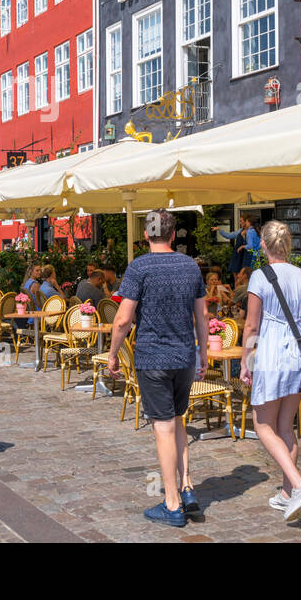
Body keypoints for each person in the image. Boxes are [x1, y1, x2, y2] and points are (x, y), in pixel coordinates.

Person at [106, 210, 208, 527]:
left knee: (162, 428)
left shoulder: (139, 268)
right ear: (173, 235)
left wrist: (112, 354)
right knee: (178, 421)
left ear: (147, 236)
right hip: (184, 358)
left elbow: (122, 319)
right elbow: (201, 318)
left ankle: (173, 503)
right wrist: (203, 353)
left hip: (153, 359)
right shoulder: (190, 266)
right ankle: (187, 486)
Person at [242, 219, 301, 523]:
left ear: (263, 245)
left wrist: (245, 360)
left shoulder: (260, 277)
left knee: (263, 425)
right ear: (288, 245)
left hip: (274, 351)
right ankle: (288, 493)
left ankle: (299, 486)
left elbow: (251, 324)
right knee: (287, 426)